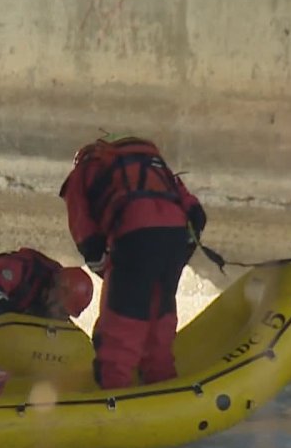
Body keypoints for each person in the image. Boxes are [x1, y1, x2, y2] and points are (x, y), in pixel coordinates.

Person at [58, 134, 207, 389]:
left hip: (135, 236)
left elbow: (84, 231)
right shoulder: (153, 166)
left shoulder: (84, 173)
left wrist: (106, 268)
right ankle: (162, 384)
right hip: (175, 237)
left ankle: (113, 392)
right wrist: (180, 253)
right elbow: (197, 214)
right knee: (159, 314)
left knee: (122, 322)